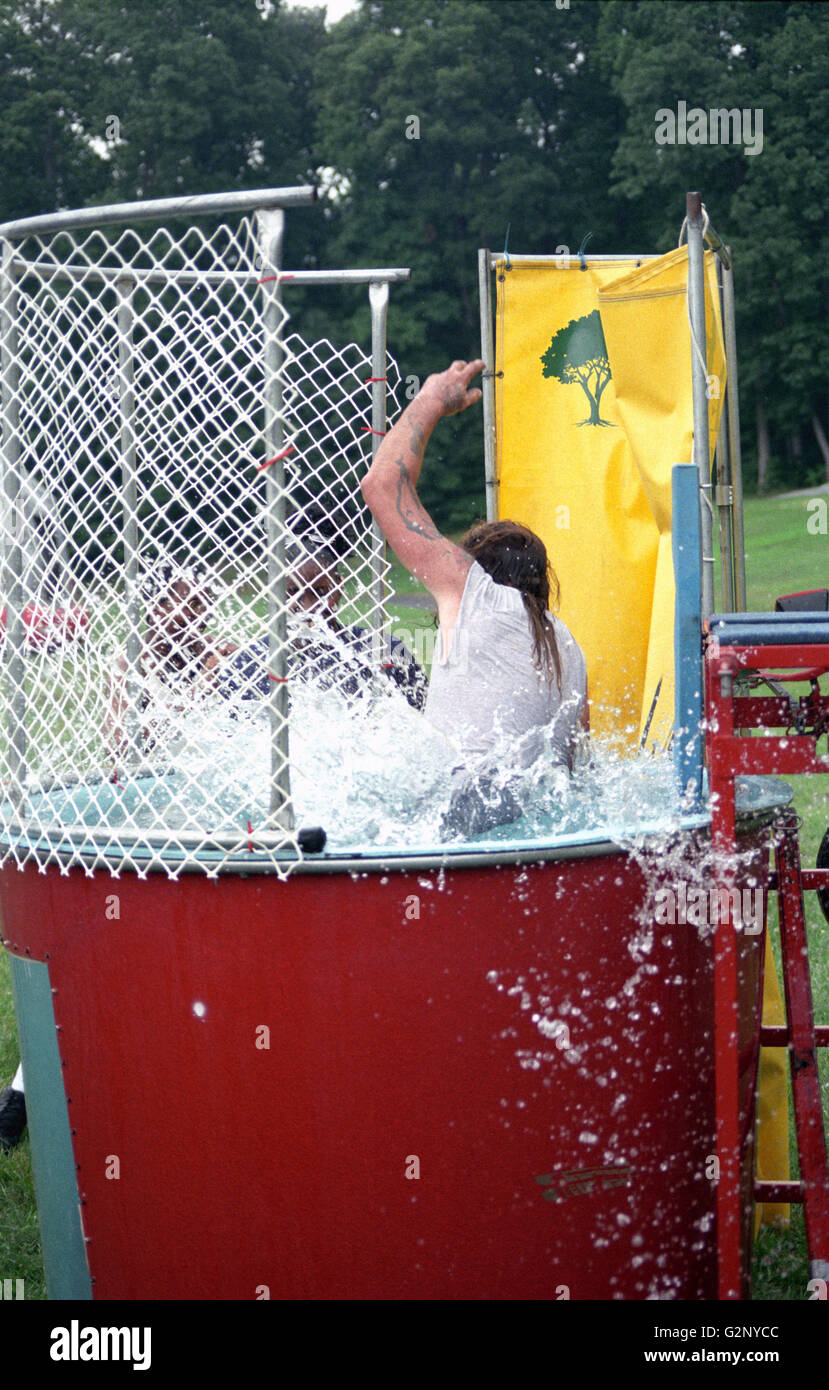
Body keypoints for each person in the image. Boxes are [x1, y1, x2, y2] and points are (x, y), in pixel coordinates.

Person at [359, 358, 589, 835]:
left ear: (475, 569)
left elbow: (383, 485)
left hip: (459, 812)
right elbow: (574, 770)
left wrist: (430, 401)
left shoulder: (478, 596)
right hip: (529, 819)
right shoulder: (570, 648)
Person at [216, 525, 427, 712]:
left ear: (339, 587)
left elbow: (424, 725)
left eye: (321, 591)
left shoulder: (385, 651)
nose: (310, 608)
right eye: (292, 593)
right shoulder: (246, 666)